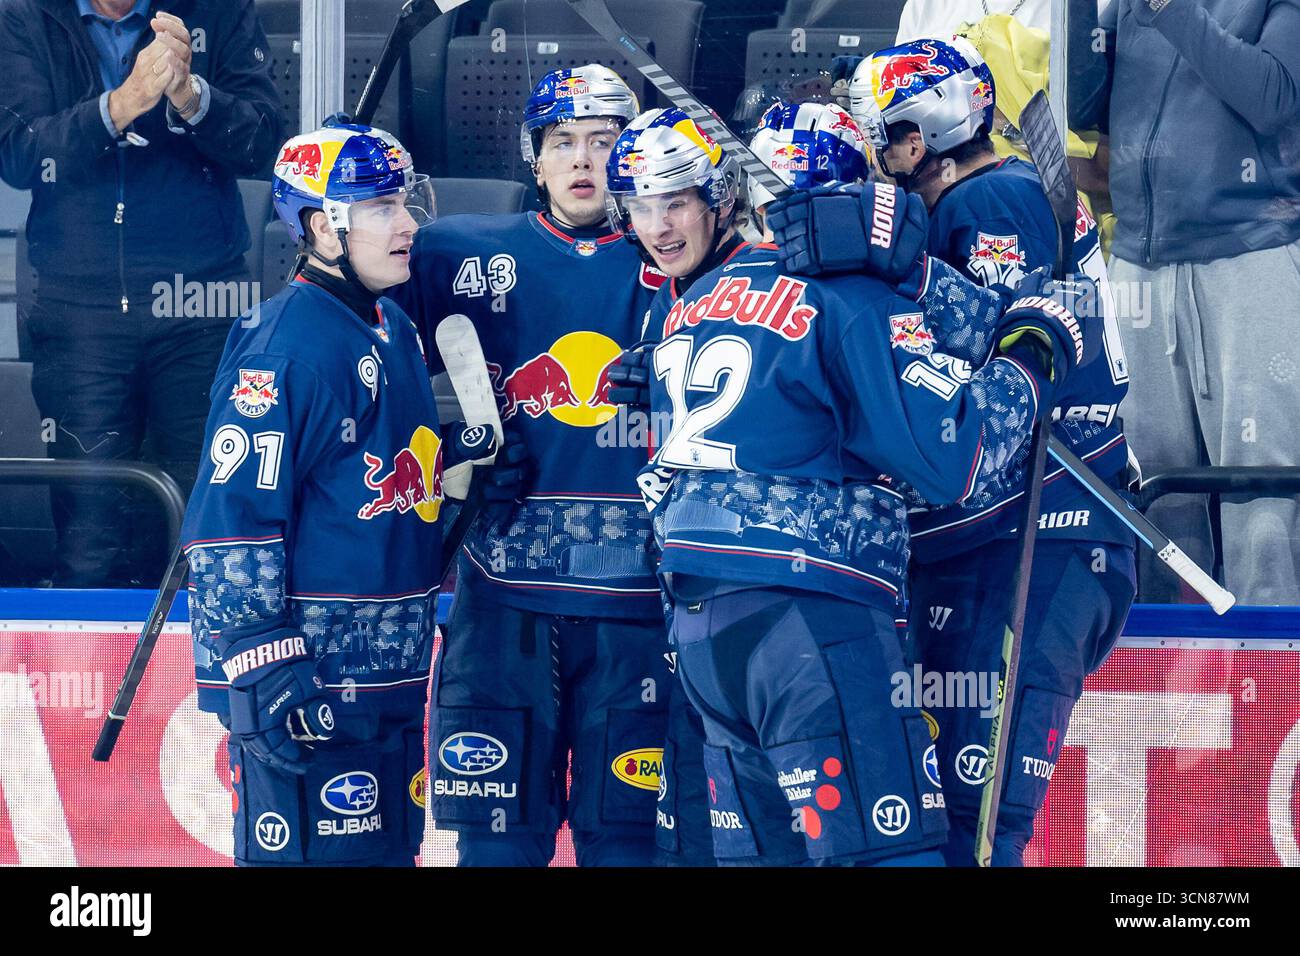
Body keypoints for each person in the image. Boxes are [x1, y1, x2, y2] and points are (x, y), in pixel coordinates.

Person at [605, 105, 1090, 865]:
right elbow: (955, 463)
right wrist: (1029, 355)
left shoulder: (690, 306)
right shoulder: (853, 297)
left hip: (701, 640)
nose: (660, 224)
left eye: (676, 201)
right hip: (809, 629)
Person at [765, 37, 1137, 865]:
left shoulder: (988, 201)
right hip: (995, 533)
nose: (871, 164)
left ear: (914, 138)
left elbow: (1000, 345)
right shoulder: (996, 190)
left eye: (880, 140)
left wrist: (898, 268)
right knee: (946, 814)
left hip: (1042, 527)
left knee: (981, 815)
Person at [390, 66, 710, 867]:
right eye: (562, 142)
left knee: (630, 845)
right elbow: (362, 367)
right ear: (534, 161)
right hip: (501, 604)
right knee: (498, 845)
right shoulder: (454, 252)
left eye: (604, 142)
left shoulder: (684, 265)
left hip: (639, 607)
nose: (582, 160)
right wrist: (454, 453)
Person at [182, 124, 504, 867]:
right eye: (383, 207)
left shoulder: (390, 325)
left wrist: (463, 463)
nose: (408, 225)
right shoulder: (284, 347)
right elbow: (230, 525)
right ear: (325, 227)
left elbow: (362, 474)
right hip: (311, 686)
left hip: (389, 676)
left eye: (406, 201)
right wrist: (262, 667)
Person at [0, 0, 282, 586]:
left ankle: (203, 677)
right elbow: (20, 153)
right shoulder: (25, 15)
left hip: (200, 304)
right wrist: (123, 104)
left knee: (207, 533)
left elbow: (261, 143)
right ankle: (91, 678)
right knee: (91, 538)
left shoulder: (216, 10)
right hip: (80, 311)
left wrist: (191, 97)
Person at [1097, 0, 1300, 605]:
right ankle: (1160, 684)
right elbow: (1090, 114)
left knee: (1260, 488)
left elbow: (1273, 98)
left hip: (1251, 251)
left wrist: (1168, 8)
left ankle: (1275, 684)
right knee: (1148, 491)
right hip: (1139, 261)